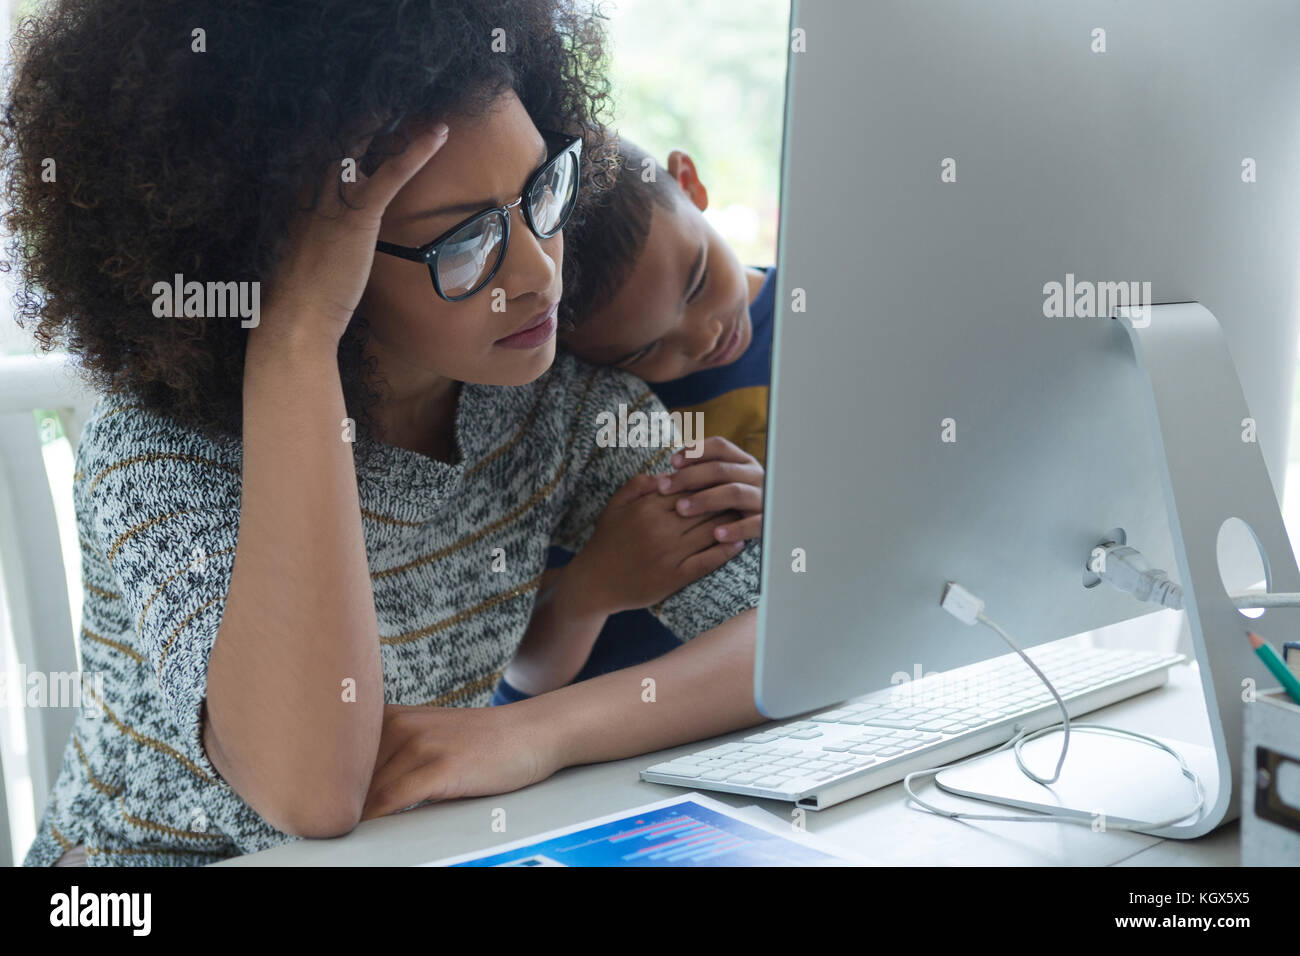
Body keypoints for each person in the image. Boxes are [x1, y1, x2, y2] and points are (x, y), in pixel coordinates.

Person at [6, 0, 764, 866]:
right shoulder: (161, 455)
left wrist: (537, 734)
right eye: (464, 242)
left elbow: (783, 643)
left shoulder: (561, 407)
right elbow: (312, 792)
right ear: (303, 267)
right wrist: (295, 341)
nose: (538, 268)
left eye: (539, 193)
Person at [494, 136, 777, 704]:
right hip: (596, 742)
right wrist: (594, 587)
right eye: (645, 352)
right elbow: (520, 677)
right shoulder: (574, 417)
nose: (705, 337)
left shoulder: (835, 329)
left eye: (698, 281)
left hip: (763, 708)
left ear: (691, 184)